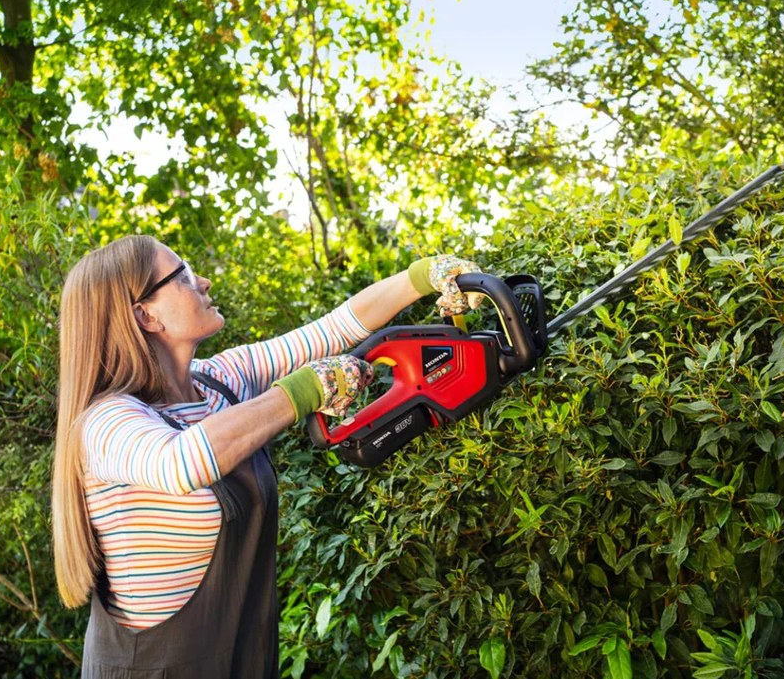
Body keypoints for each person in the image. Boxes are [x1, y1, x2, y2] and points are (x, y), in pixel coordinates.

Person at [51, 235, 482, 678]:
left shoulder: (219, 383)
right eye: (181, 276)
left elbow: (333, 330)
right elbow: (180, 462)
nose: (202, 280)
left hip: (241, 661)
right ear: (145, 315)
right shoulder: (105, 422)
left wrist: (424, 275)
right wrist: (301, 392)